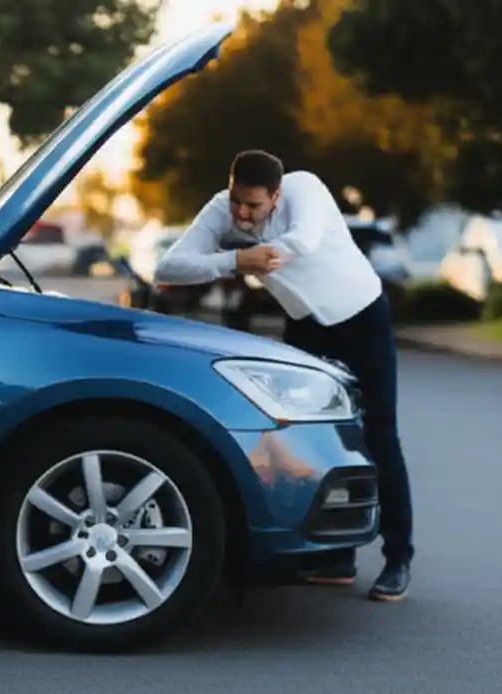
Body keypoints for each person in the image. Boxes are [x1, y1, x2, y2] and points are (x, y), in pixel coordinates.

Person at [154, 149, 414, 601]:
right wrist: (234, 263)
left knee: (378, 435)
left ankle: (398, 559)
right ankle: (333, 556)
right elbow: (168, 268)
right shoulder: (223, 209)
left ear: (276, 195)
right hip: (306, 324)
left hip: (362, 316)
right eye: (237, 201)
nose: (241, 213)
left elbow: (305, 241)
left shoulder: (305, 188)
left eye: (253, 205)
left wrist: (249, 255)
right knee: (306, 441)